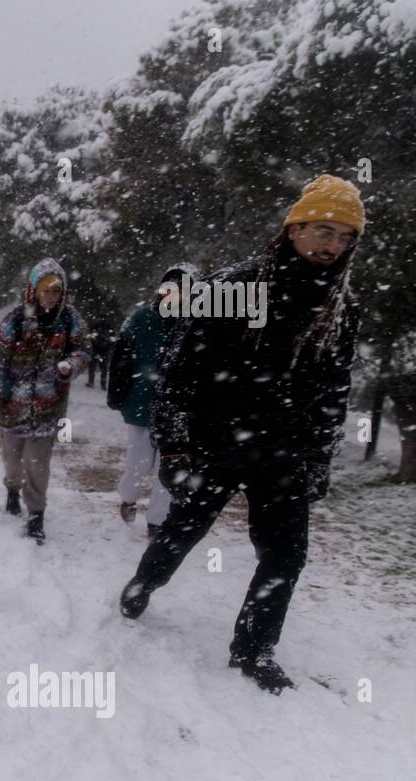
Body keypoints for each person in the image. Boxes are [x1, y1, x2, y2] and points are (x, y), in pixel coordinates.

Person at [118, 175, 364, 694]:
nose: (333, 246)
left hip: (286, 456)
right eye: (324, 231)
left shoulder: (342, 307)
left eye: (345, 238)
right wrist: (177, 449)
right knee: (183, 531)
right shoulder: (236, 291)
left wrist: (319, 459)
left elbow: (333, 390)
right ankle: (145, 582)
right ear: (294, 227)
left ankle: (254, 649)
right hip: (217, 447)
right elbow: (178, 375)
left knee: (286, 555)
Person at [0, 258, 92, 543]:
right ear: (34, 289)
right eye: (46, 289)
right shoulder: (14, 321)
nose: (51, 296)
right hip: (12, 406)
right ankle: (11, 490)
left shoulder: (70, 320)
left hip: (48, 407)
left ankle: (36, 516)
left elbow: (84, 351)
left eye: (56, 290)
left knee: (38, 464)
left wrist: (72, 364)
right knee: (13, 460)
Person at [107, 264, 200, 539]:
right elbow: (121, 360)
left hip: (177, 410)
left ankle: (158, 520)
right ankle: (129, 497)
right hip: (141, 404)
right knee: (139, 460)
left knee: (167, 466)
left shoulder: (195, 323)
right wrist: (116, 393)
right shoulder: (141, 318)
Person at [85, 312, 116, 389]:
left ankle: (91, 382)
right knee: (103, 368)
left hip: (96, 349)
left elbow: (90, 336)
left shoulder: (96, 325)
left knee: (93, 367)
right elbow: (112, 339)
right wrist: (109, 346)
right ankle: (103, 384)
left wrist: (92, 343)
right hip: (104, 350)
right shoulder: (108, 326)